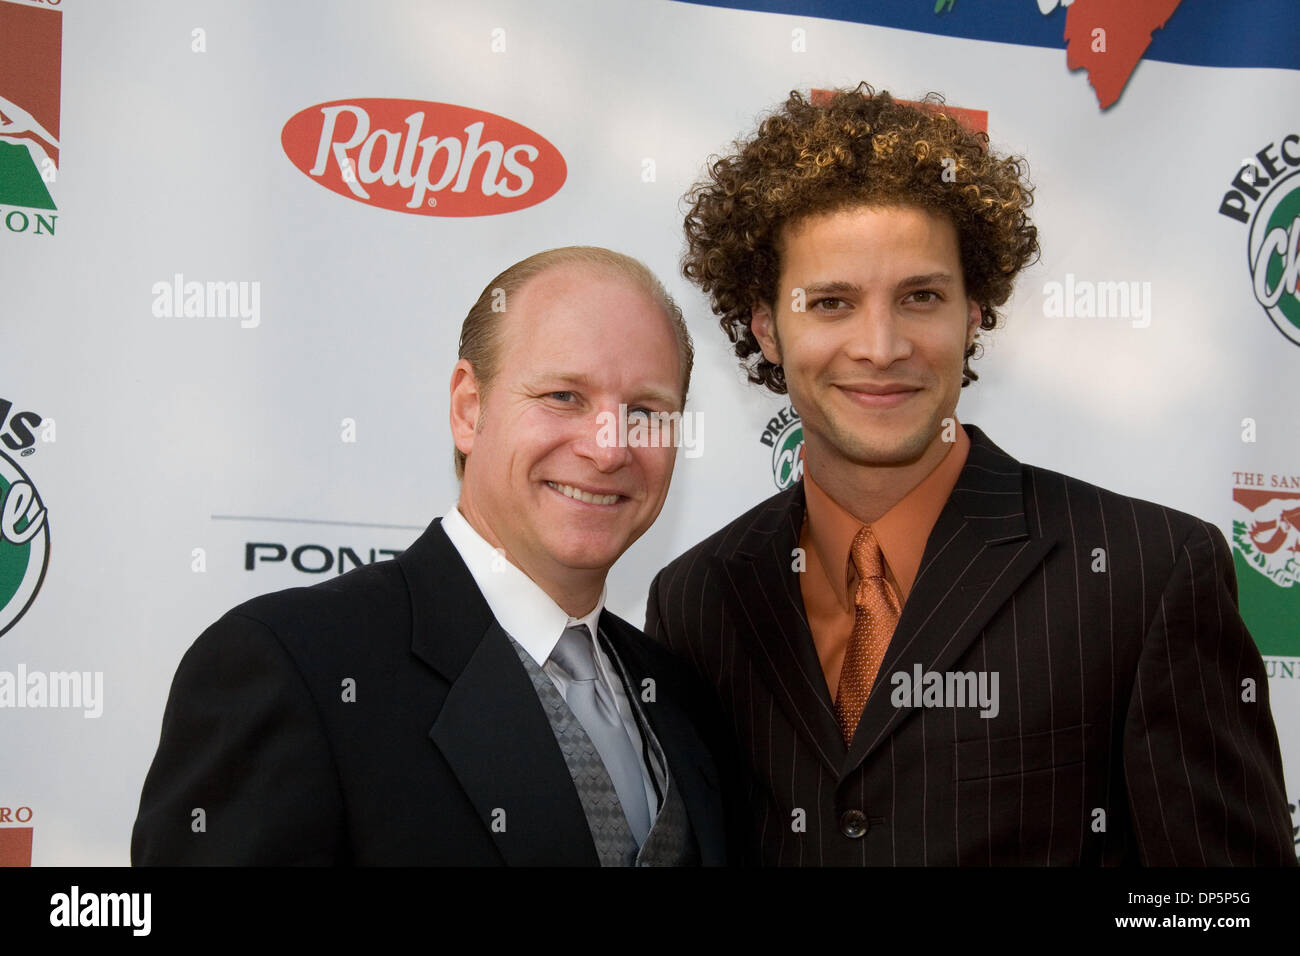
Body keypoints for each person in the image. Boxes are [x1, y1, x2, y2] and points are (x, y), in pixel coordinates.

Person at [646, 85, 1296, 866]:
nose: (880, 346)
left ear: (975, 312)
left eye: (921, 297)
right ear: (767, 330)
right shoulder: (696, 600)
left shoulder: (1146, 572)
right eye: (831, 303)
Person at [133, 246, 733, 865]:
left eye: (646, 412)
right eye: (563, 396)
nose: (609, 450)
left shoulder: (683, 697)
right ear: (468, 408)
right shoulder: (295, 667)